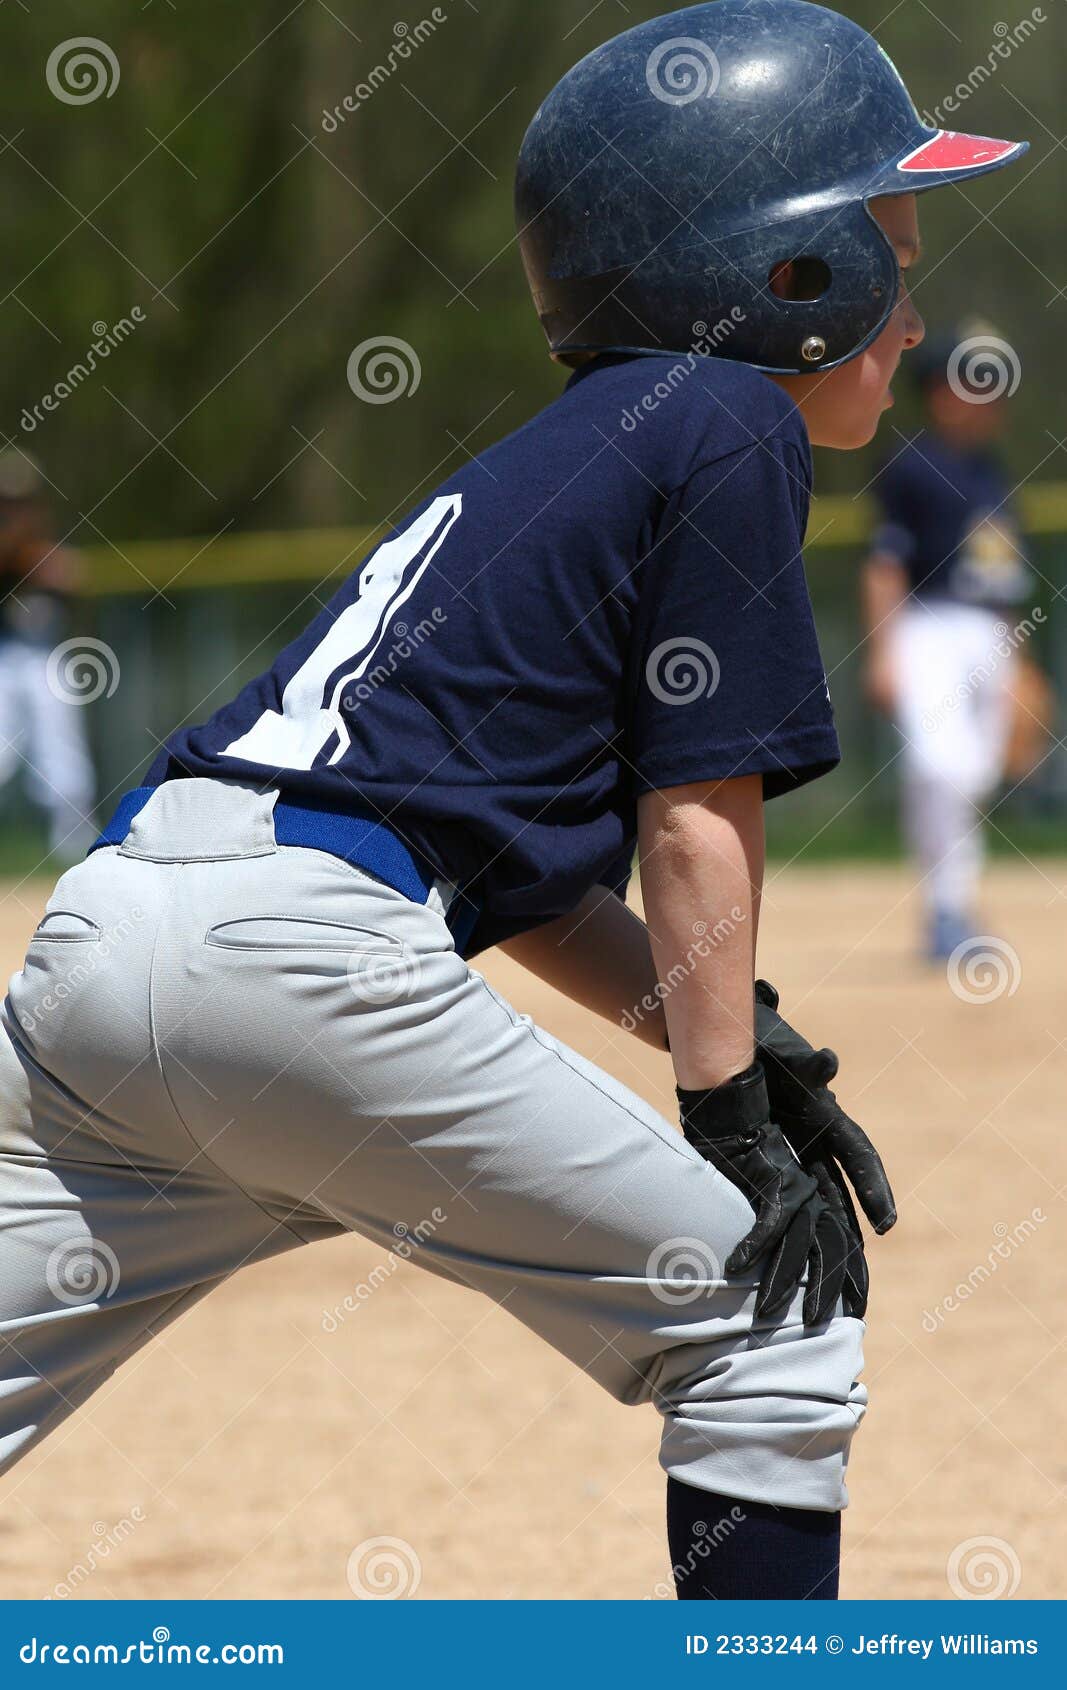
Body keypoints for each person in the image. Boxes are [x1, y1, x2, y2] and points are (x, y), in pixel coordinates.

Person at [0, 0, 1024, 1601]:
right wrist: (725, 1124)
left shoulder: (558, 455)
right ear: (786, 273)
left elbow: (530, 885)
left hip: (114, 930)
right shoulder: (724, 417)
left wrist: (740, 1037)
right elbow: (695, 817)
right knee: (767, 1314)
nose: (909, 319)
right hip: (301, 961)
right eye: (884, 249)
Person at [863, 324, 1042, 960]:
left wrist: (1024, 668)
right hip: (927, 626)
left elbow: (1004, 583)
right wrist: (883, 650)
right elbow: (885, 564)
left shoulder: (995, 474)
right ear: (940, 393)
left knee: (978, 771)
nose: (990, 398)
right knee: (941, 764)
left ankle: (953, 905)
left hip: (991, 634)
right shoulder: (912, 465)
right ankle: (947, 910)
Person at [0, 453, 96, 860]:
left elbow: (76, 582)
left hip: (46, 655)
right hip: (5, 656)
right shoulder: (12, 544)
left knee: (61, 749)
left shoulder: (51, 539)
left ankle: (74, 839)